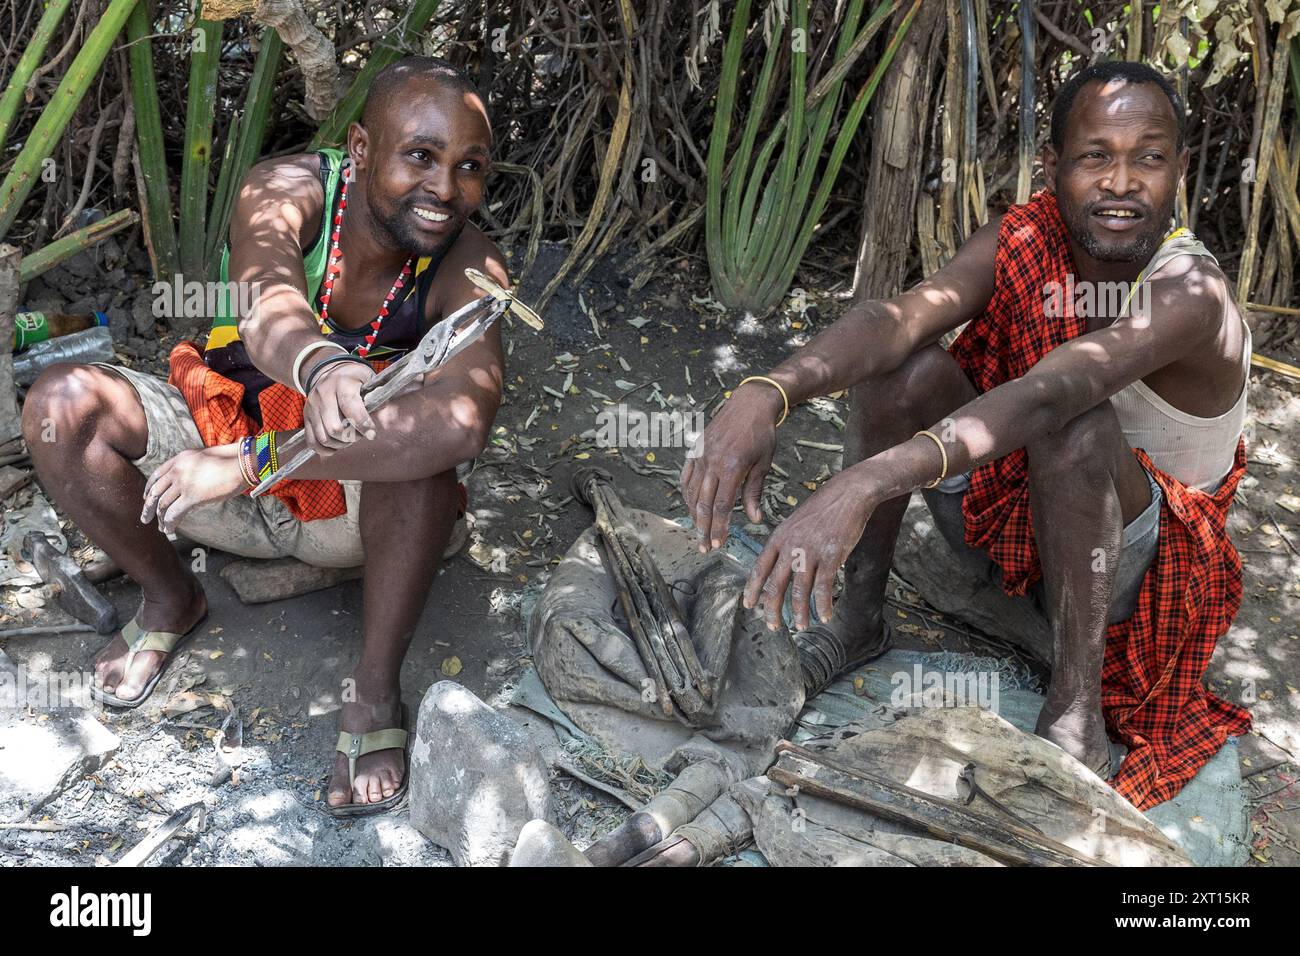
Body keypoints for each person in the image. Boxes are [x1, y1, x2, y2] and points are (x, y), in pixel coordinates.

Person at [682, 61, 1251, 810]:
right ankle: (857, 621)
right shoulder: (1027, 236)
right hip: (1026, 515)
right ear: (1054, 168)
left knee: (1076, 424)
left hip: (1140, 583)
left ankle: (1077, 716)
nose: (1121, 182)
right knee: (905, 371)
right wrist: (767, 392)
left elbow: (1058, 390)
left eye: (1148, 157)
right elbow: (900, 318)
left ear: (1179, 169)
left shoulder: (1191, 294)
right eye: (1095, 157)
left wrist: (865, 481)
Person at [21, 56, 507, 815]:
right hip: (206, 456)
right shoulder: (286, 190)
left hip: (330, 507)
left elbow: (463, 421)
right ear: (361, 147)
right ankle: (170, 598)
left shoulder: (471, 269)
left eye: (468, 167)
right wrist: (319, 366)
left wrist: (256, 461)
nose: (444, 189)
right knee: (61, 403)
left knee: (424, 459)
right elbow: (264, 297)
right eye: (420, 155)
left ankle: (374, 695)